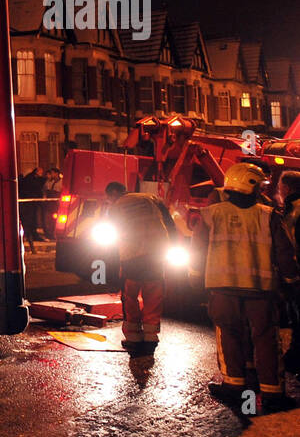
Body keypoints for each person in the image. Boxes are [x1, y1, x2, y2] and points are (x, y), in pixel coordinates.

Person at [192, 163, 300, 412]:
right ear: (251, 186)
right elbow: (285, 253)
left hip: (222, 289)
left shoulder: (211, 214)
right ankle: (272, 392)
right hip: (260, 290)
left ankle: (234, 385)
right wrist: (292, 281)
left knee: (228, 334)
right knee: (265, 339)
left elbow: (196, 251)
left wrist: (196, 280)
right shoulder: (268, 214)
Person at [105, 181, 176, 354]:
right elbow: (170, 224)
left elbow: (113, 234)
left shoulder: (115, 207)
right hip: (157, 253)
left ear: (112, 195)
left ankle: (134, 337)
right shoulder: (151, 198)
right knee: (154, 294)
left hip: (132, 256)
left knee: (130, 296)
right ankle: (151, 336)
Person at [274, 170, 300, 373]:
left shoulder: (295, 210)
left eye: (280, 187)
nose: (278, 191)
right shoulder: (290, 208)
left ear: (288, 189)